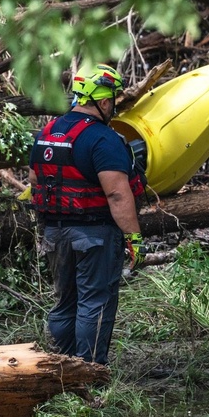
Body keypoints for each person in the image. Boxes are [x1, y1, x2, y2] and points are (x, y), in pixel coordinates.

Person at [29, 64, 144, 365]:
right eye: (114, 100)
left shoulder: (47, 132)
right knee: (95, 303)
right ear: (104, 102)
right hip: (94, 234)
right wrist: (134, 237)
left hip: (55, 233)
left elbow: (34, 178)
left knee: (65, 302)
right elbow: (117, 194)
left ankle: (62, 367)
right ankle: (90, 372)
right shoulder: (104, 139)